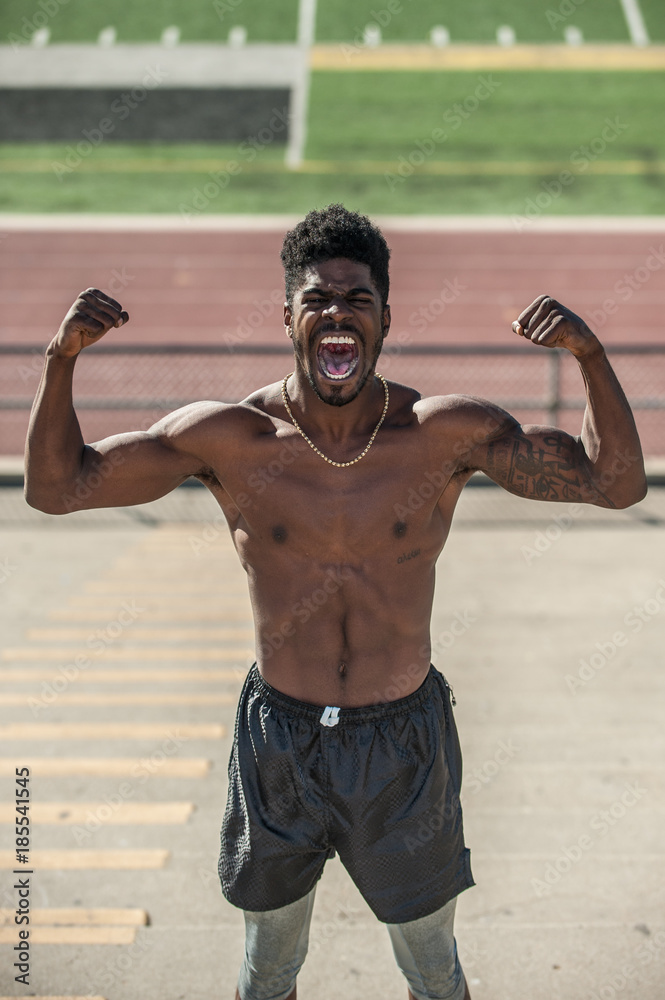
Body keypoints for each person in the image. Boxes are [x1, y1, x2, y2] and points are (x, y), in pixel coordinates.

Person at [25, 204, 646, 1000]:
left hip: (402, 741)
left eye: (357, 299)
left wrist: (588, 356)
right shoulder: (232, 439)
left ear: (385, 317)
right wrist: (60, 359)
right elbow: (55, 488)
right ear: (288, 315)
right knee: (269, 966)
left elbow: (614, 484)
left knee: (430, 966)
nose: (336, 313)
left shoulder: (442, 433)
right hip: (281, 738)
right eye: (318, 299)